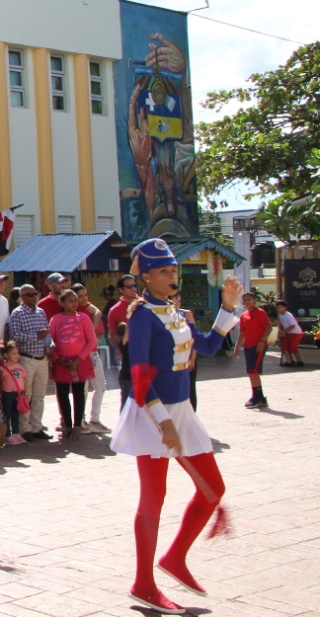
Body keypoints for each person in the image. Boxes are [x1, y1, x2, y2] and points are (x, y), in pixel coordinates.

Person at [109, 239, 241, 614]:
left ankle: (175, 557)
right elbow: (139, 376)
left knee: (213, 489)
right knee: (153, 500)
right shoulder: (142, 316)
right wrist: (163, 421)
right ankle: (143, 583)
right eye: (165, 271)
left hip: (182, 411)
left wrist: (227, 310)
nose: (172, 276)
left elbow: (210, 348)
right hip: (154, 415)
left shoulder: (174, 311)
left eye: (173, 270)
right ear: (146, 277)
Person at [49, 289, 95, 441]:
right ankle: (67, 425)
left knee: (79, 394)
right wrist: (56, 357)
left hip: (79, 362)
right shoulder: (55, 319)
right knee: (62, 394)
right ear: (61, 303)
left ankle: (77, 426)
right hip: (62, 363)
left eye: (75, 300)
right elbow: (51, 341)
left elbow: (92, 341)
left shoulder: (83, 318)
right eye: (70, 301)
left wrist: (79, 359)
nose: (74, 303)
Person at [9, 284, 52, 441]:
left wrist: (50, 344)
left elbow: (46, 333)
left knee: (40, 395)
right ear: (22, 297)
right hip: (27, 358)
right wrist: (36, 336)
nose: (34, 297)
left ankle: (37, 427)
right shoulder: (17, 314)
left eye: (35, 294)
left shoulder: (41, 312)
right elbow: (14, 335)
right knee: (26, 395)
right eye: (30, 295)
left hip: (42, 358)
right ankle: (24, 428)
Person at [71, 282, 110, 433]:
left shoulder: (89, 309)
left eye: (85, 295)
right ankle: (81, 420)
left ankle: (95, 419)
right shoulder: (74, 312)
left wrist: (91, 334)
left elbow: (100, 331)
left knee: (100, 385)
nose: (83, 299)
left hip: (93, 353)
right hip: (80, 355)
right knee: (83, 388)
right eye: (80, 296)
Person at [233, 291, 271, 408]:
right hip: (248, 347)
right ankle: (260, 398)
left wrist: (261, 342)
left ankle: (257, 398)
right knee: (251, 372)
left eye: (249, 299)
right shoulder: (244, 316)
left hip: (258, 346)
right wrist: (237, 347)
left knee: (253, 372)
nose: (246, 302)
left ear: (254, 301)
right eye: (244, 300)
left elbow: (268, 328)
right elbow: (242, 332)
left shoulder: (260, 313)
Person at [108, 274, 140, 407]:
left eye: (134, 286)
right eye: (129, 287)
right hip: (128, 356)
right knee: (128, 396)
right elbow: (112, 334)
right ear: (121, 289)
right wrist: (117, 349)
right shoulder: (115, 311)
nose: (133, 289)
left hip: (148, 353)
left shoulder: (144, 304)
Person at [0, 342, 28, 445]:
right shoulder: (3, 368)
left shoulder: (20, 367)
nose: (16, 355)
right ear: (6, 355)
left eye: (17, 353)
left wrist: (25, 392)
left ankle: (16, 433)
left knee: (15, 413)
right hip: (7, 393)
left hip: (18, 394)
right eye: (13, 353)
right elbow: (0, 381)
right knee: (7, 414)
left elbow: (24, 379)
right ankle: (7, 434)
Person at [276, 301, 304, 367]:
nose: (278, 309)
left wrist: (284, 331)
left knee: (293, 348)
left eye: (280, 307)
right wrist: (280, 331)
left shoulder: (289, 315)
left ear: (284, 308)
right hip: (289, 333)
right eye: (277, 307)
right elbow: (280, 323)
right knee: (284, 346)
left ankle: (299, 361)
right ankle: (289, 361)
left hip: (296, 333)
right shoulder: (280, 315)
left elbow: (292, 326)